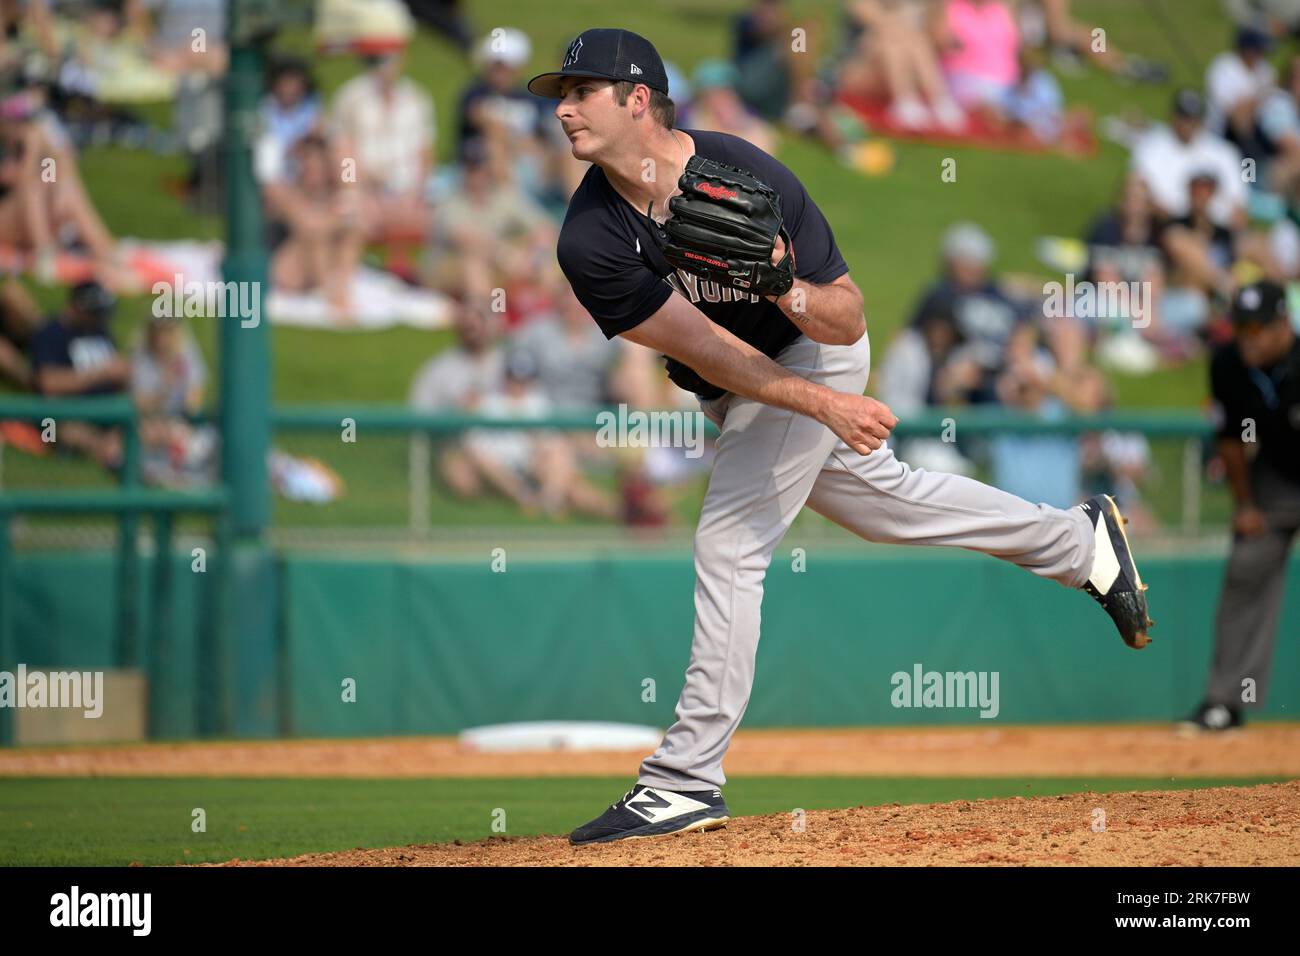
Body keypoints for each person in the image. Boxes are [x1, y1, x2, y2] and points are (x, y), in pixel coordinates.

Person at [528, 28, 1153, 846]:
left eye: (581, 91)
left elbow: (847, 313)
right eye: (560, 96)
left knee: (729, 542)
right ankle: (1082, 544)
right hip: (747, 380)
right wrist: (819, 410)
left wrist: (783, 285)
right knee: (887, 503)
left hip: (814, 347)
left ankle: (683, 780)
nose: (564, 110)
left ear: (636, 98)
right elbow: (711, 352)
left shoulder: (745, 172)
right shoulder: (590, 239)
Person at [1181, 281, 1299, 732]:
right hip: (1274, 478)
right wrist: (1245, 502)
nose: (1248, 337)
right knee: (1245, 569)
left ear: (1283, 324)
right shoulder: (1228, 363)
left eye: (1258, 328)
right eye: (1241, 327)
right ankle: (1224, 702)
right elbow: (1231, 442)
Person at [28, 280, 127, 469]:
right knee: (67, 430)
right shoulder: (52, 333)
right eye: (95, 312)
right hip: (66, 415)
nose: (101, 318)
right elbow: (48, 382)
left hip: (107, 412)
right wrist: (101, 373)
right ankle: (111, 456)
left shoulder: (100, 331)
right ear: (78, 308)